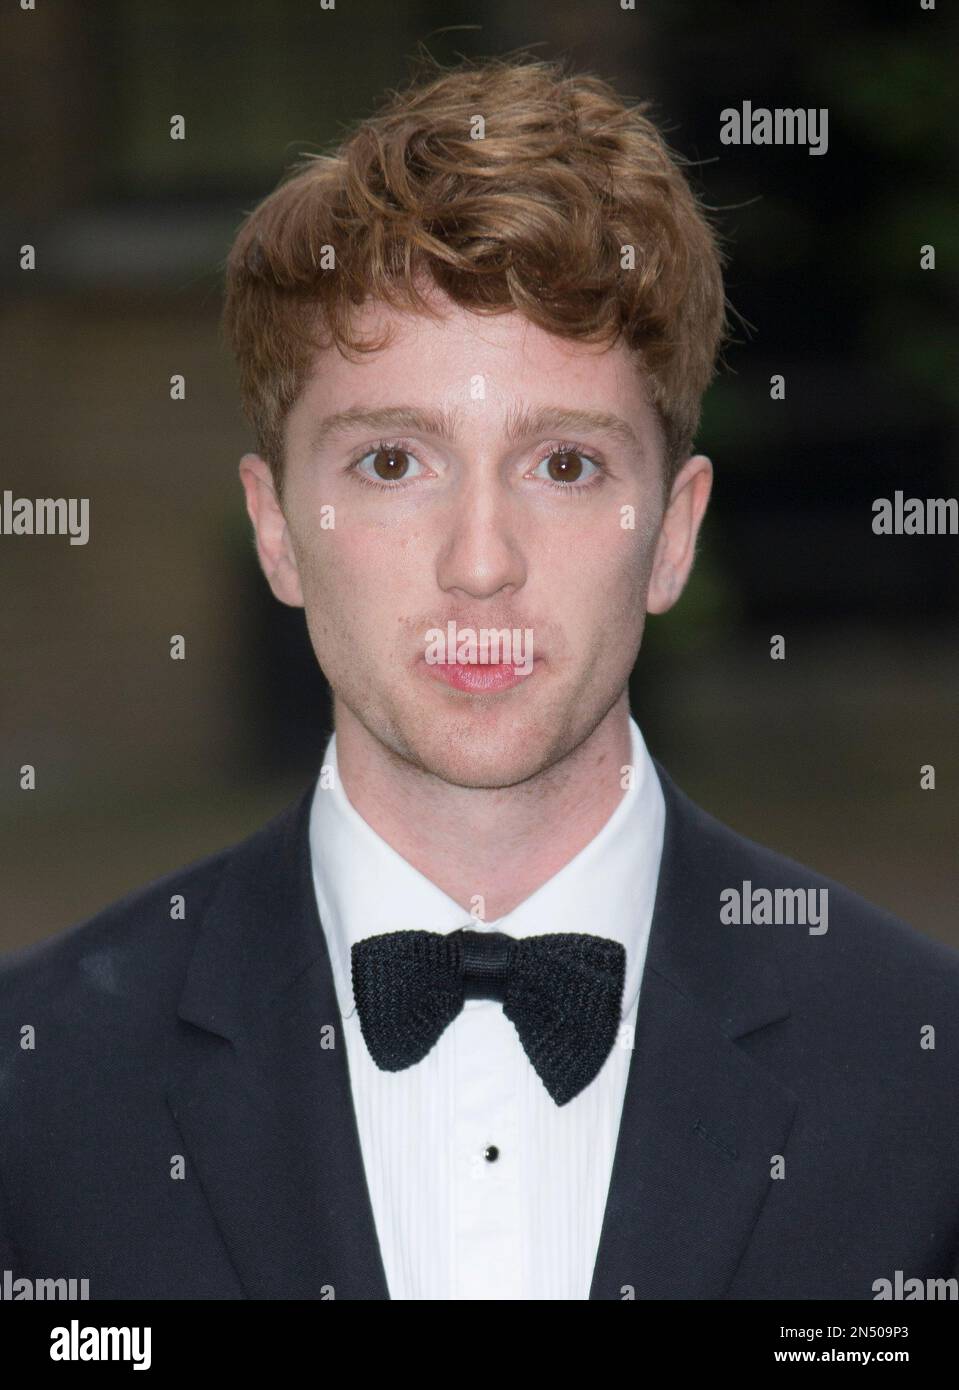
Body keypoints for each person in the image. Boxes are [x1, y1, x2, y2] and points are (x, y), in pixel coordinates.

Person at [2, 53, 958, 1303]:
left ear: (671, 533)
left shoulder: (924, 1078)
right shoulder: (36, 1093)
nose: (480, 562)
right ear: (277, 527)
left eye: (563, 465)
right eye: (394, 463)